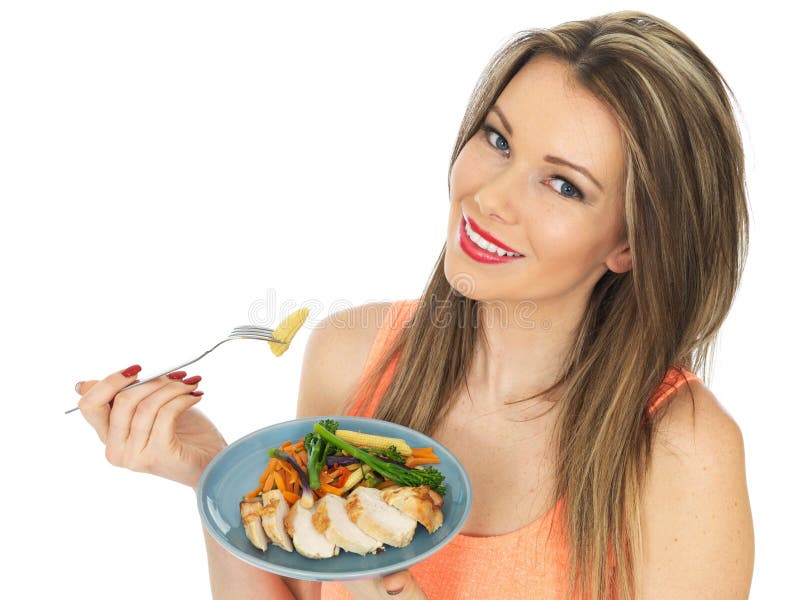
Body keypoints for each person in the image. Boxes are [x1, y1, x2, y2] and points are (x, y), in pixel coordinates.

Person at [76, 10, 754, 600]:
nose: (491, 198)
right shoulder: (350, 358)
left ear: (631, 244)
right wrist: (214, 475)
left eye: (562, 185)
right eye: (497, 139)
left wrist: (383, 589)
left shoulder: (682, 448)